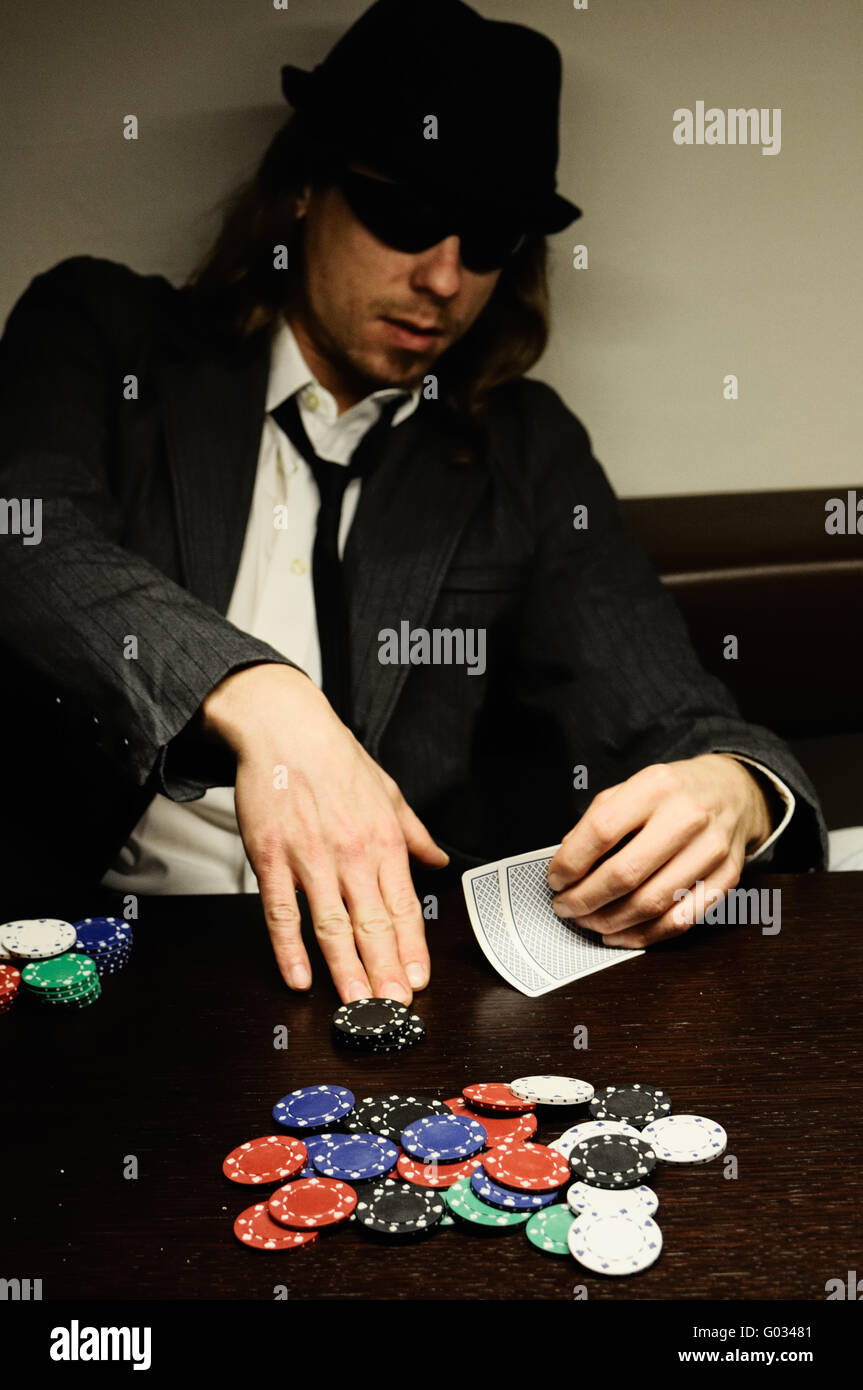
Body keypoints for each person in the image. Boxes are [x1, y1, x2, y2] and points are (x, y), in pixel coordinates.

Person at [0, 0, 826, 1006]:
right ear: (305, 185)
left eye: (485, 239)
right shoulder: (102, 330)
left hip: (396, 979)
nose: (442, 277)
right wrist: (262, 695)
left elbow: (674, 712)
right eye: (404, 213)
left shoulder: (523, 444)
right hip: (93, 962)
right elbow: (27, 538)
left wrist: (735, 792)